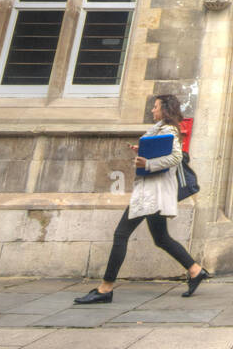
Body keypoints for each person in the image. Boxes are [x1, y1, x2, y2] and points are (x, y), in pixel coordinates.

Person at [74, 94, 208, 303]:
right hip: (152, 191)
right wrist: (144, 151)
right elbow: (163, 152)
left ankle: (105, 288)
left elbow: (175, 157)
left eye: (155, 107)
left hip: (151, 193)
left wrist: (148, 164)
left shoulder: (168, 130)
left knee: (121, 234)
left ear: (165, 109)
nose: (152, 110)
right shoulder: (161, 129)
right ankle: (195, 270)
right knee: (161, 238)